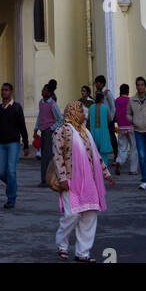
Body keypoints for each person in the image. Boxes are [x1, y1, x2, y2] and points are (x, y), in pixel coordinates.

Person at [52, 99, 114, 262]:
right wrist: (62, 178)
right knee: (72, 214)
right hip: (71, 180)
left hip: (89, 182)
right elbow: (58, 156)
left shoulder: (86, 132)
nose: (83, 114)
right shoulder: (62, 131)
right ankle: (61, 243)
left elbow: (95, 155)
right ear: (72, 112)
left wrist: (106, 173)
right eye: (80, 111)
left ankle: (83, 253)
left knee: (90, 214)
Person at [0, 82, 29, 209]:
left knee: (11, 171)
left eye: (6, 90)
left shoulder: (16, 107)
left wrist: (26, 144)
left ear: (11, 92)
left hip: (13, 143)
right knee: (0, 172)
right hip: (1, 143)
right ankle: (13, 185)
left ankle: (11, 198)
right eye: (2, 90)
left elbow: (22, 126)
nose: (3, 92)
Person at [33, 82, 62, 187]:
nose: (42, 91)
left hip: (49, 131)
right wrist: (36, 128)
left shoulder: (52, 104)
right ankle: (43, 179)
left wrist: (52, 128)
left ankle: (48, 179)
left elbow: (60, 119)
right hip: (43, 130)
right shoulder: (41, 103)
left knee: (48, 156)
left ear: (49, 93)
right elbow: (40, 116)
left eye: (45, 90)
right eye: (43, 89)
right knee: (44, 156)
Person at [113, 83, 137, 176]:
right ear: (128, 90)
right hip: (131, 126)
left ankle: (119, 161)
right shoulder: (131, 100)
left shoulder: (117, 100)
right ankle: (133, 169)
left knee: (122, 147)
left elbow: (115, 112)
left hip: (121, 126)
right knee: (134, 147)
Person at [87, 91, 113, 170]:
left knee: (95, 151)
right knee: (103, 152)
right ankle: (104, 168)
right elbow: (109, 119)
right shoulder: (104, 107)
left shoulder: (91, 107)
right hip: (102, 132)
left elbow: (88, 121)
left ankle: (95, 167)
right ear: (102, 99)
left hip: (93, 132)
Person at [94, 74, 118, 159]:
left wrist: (111, 118)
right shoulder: (98, 93)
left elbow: (113, 106)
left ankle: (116, 155)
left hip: (108, 119)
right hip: (101, 119)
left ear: (102, 84)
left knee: (112, 137)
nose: (96, 85)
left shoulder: (108, 93)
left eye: (97, 83)